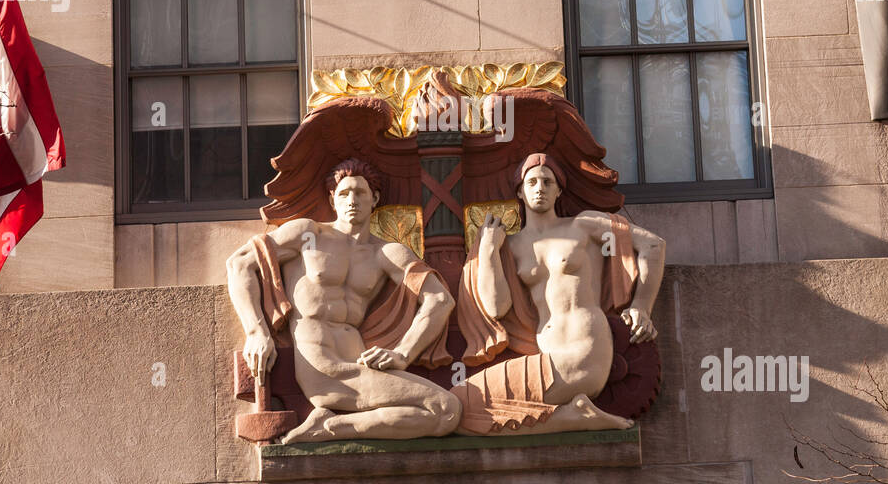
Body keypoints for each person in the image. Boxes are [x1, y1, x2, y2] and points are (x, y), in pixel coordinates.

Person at [226, 158, 461, 442]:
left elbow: (439, 299)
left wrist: (402, 353)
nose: (352, 200)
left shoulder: (386, 254)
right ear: (332, 199)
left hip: (362, 367)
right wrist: (255, 331)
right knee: (445, 409)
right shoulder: (308, 234)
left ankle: (330, 425)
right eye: (344, 193)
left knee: (445, 412)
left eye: (360, 193)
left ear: (374, 198)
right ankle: (329, 427)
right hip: (321, 365)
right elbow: (239, 263)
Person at [451, 152, 666, 434]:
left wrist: (641, 305)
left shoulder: (583, 225)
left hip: (584, 351)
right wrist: (488, 249)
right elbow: (496, 308)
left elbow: (653, 246)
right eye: (532, 182)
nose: (540, 188)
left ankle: (575, 418)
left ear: (559, 190)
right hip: (546, 355)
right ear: (520, 191)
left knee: (460, 410)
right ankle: (573, 416)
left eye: (547, 182)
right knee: (459, 409)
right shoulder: (511, 247)